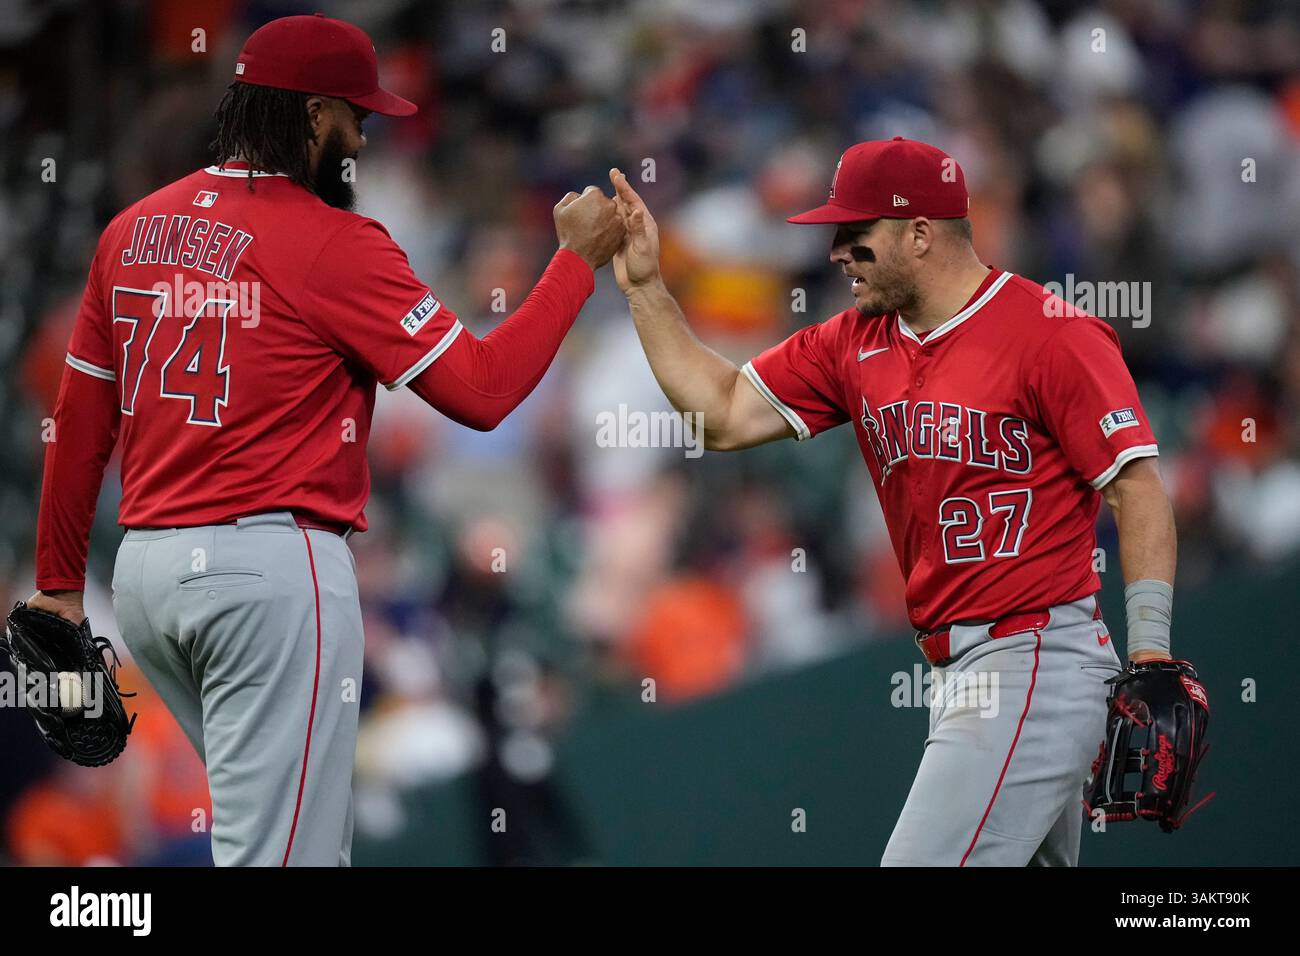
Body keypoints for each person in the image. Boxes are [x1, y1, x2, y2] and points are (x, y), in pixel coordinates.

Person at [27, 13, 624, 866]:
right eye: (357, 118)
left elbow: (79, 418)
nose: (365, 139)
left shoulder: (132, 231)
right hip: (267, 576)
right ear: (312, 118)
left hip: (149, 583)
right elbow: (484, 393)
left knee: (281, 842)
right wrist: (573, 265)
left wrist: (56, 587)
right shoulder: (333, 242)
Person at [607, 137, 1178, 866]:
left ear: (919, 232)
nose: (839, 251)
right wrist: (647, 289)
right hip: (958, 672)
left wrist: (1153, 651)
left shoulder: (1051, 333)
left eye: (856, 232)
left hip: (1034, 654)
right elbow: (719, 414)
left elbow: (1136, 488)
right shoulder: (854, 342)